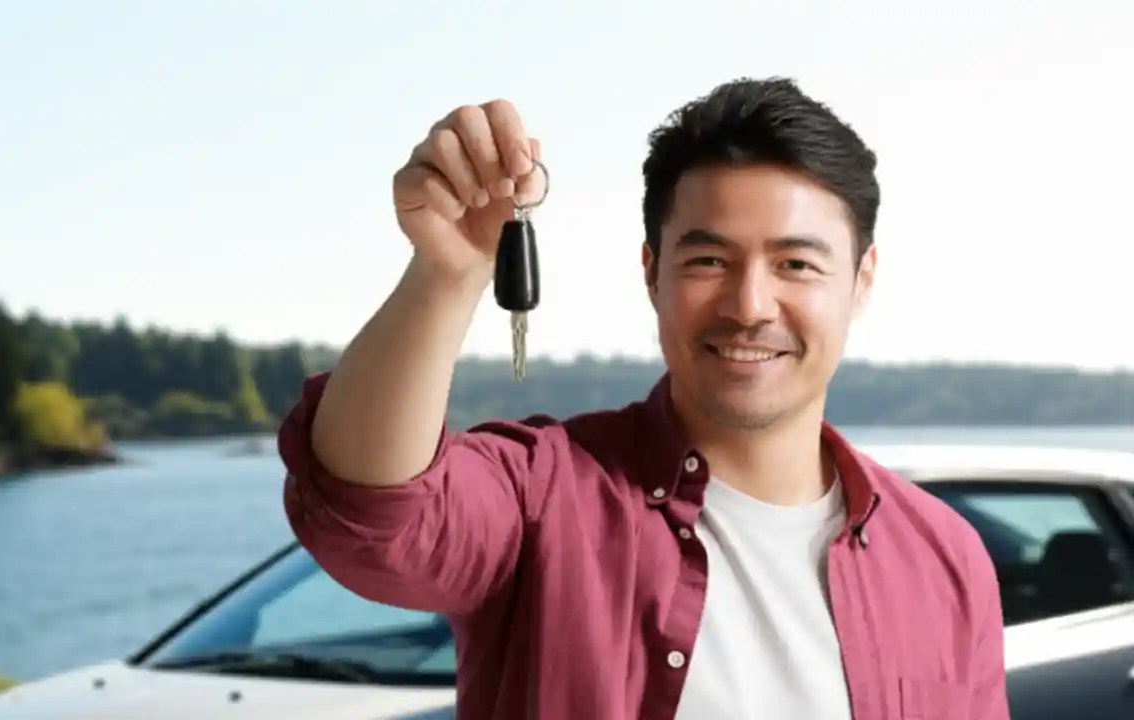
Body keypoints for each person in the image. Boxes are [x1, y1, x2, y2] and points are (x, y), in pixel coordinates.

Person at [277, 77, 1009, 720]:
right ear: (651, 272)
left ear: (862, 280)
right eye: (709, 260)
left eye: (795, 263)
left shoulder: (946, 559)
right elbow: (369, 516)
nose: (750, 304)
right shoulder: (543, 496)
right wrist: (449, 272)